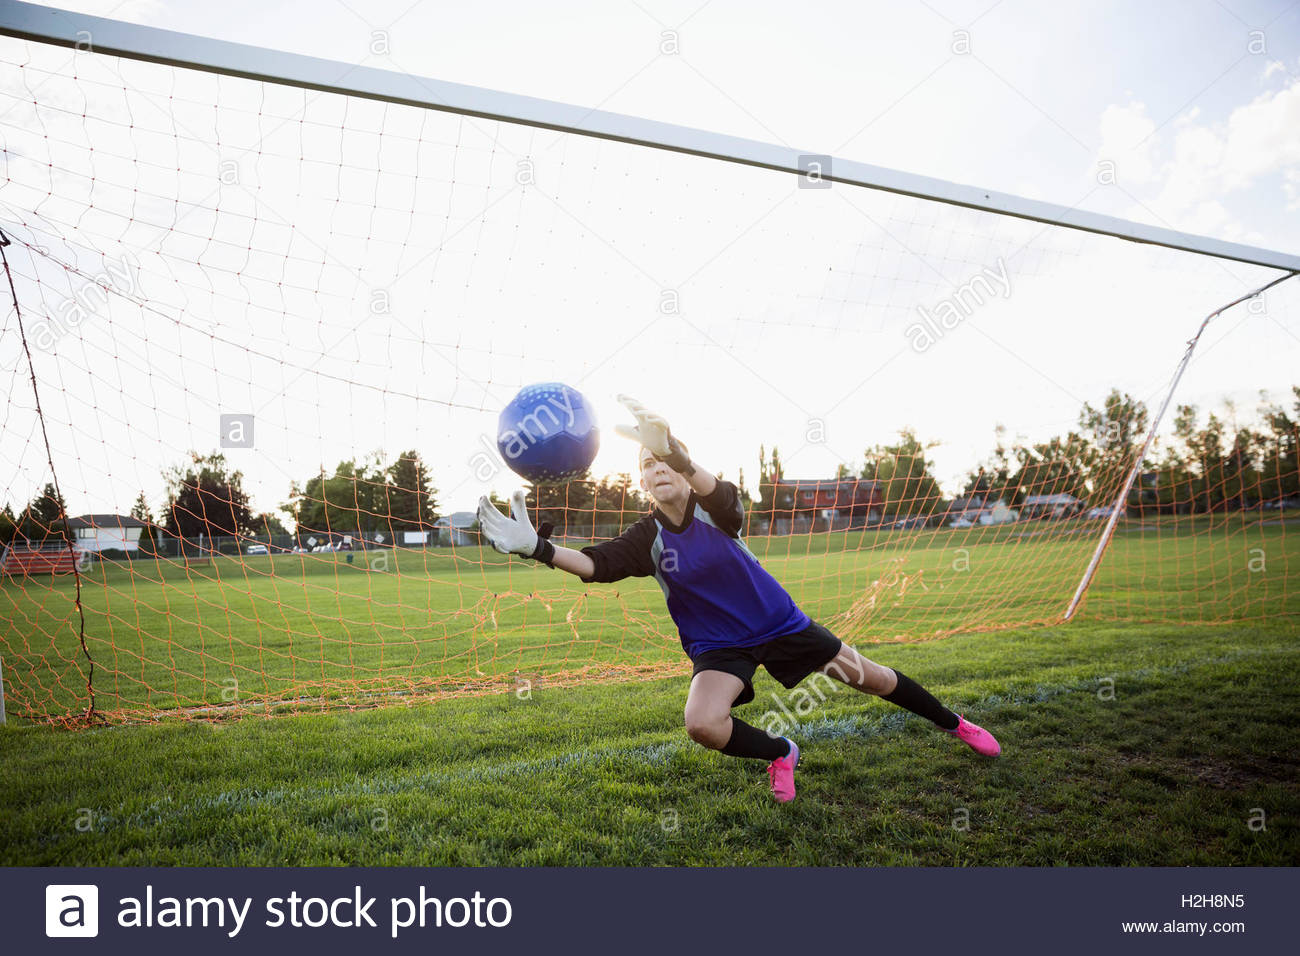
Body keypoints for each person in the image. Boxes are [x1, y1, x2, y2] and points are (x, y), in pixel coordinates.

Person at [477, 396, 1000, 802]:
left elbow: (721, 496)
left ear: (681, 469)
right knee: (702, 724)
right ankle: (781, 753)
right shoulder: (647, 538)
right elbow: (597, 565)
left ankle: (957, 724)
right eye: (646, 466)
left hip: (780, 625)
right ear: (641, 482)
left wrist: (678, 452)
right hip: (720, 645)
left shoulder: (716, 509)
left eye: (663, 462)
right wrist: (539, 550)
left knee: (876, 679)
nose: (656, 470)